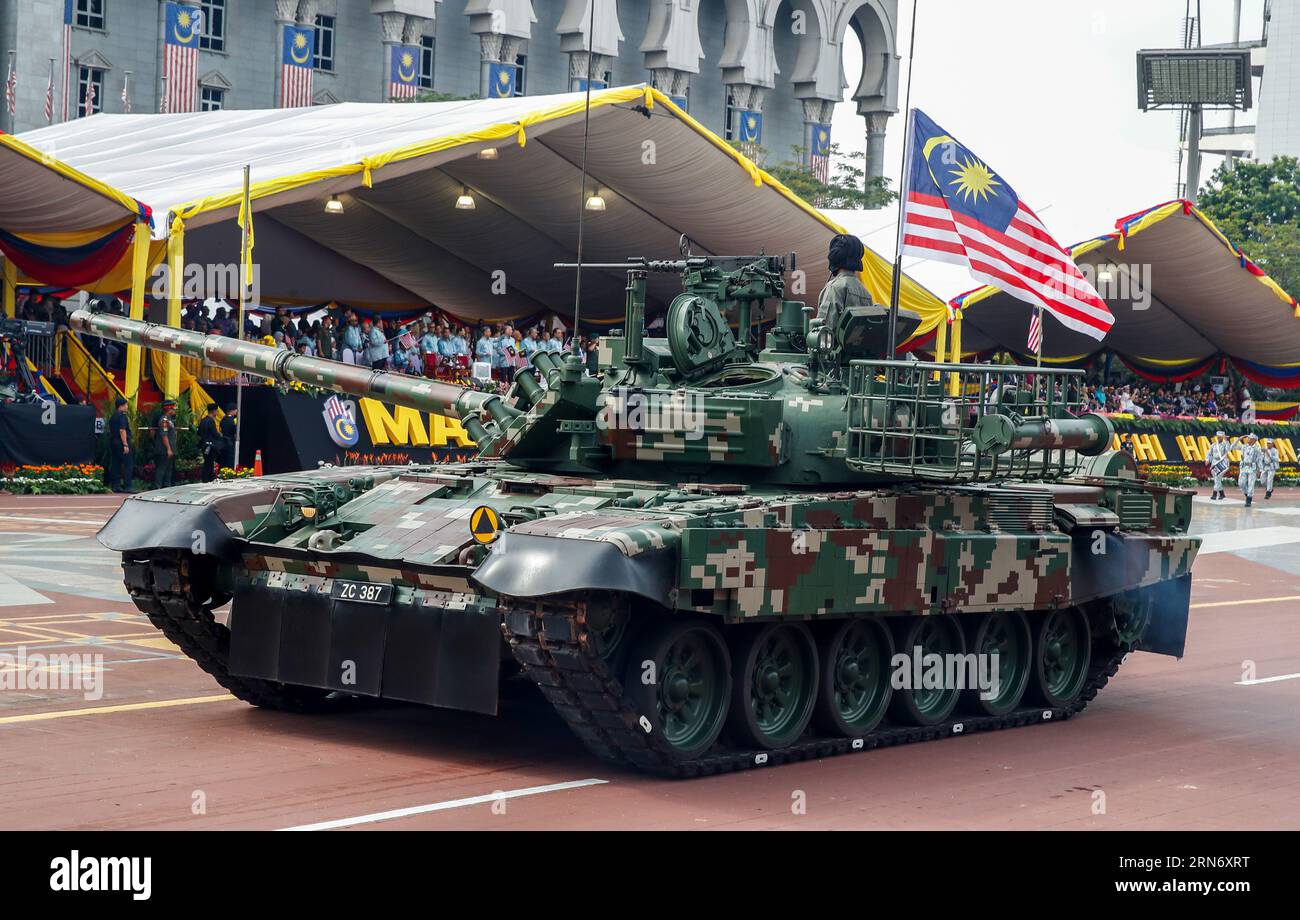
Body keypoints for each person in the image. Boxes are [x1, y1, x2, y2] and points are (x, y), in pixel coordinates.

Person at [810, 234, 871, 351]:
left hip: (834, 362)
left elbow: (824, 330)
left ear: (834, 257)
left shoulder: (835, 288)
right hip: (855, 361)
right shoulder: (866, 293)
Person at [107, 397, 134, 493]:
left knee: (116, 464)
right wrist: (125, 444)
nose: (127, 407)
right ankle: (128, 486)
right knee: (128, 464)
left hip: (113, 442)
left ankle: (116, 485)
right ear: (121, 406)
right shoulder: (122, 416)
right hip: (121, 442)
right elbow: (122, 430)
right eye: (126, 405)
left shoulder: (113, 416)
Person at [153, 399, 178, 489]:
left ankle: (167, 487)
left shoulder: (170, 420)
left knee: (169, 470)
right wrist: (168, 449)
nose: (174, 411)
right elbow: (164, 435)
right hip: (164, 450)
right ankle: (157, 487)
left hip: (170, 448)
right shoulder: (164, 420)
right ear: (169, 409)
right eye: (173, 409)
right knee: (162, 469)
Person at [1206, 431, 1234, 501]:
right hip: (1214, 462)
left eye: (1220, 437)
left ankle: (1214, 494)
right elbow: (1209, 453)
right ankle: (1222, 494)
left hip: (1222, 462)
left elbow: (1228, 449)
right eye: (1218, 437)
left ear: (1222, 437)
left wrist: (1227, 441)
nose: (1219, 438)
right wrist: (1207, 460)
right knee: (1216, 479)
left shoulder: (1225, 444)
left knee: (1218, 477)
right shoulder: (1214, 445)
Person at [198, 403, 221, 482]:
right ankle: (208, 480)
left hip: (204, 445)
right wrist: (220, 435)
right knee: (209, 463)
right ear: (214, 411)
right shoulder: (211, 421)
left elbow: (198, 432)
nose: (217, 413)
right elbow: (214, 433)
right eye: (216, 411)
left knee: (207, 462)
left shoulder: (203, 420)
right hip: (210, 446)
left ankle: (205, 479)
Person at [1238, 432, 1263, 507]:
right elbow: (1232, 447)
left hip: (1252, 468)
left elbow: (1259, 460)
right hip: (1244, 467)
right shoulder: (1244, 446)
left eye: (1249, 438)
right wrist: (1239, 439)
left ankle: (1249, 499)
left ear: (1254, 440)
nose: (1248, 439)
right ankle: (1247, 494)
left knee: (1251, 484)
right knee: (1241, 483)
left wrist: (1260, 470)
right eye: (1248, 438)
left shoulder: (1257, 449)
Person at [220, 404, 239, 471]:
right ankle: (229, 474)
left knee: (223, 460)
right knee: (230, 460)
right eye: (236, 409)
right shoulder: (233, 420)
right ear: (232, 410)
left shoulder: (223, 419)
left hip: (223, 442)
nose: (237, 411)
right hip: (230, 442)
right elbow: (235, 431)